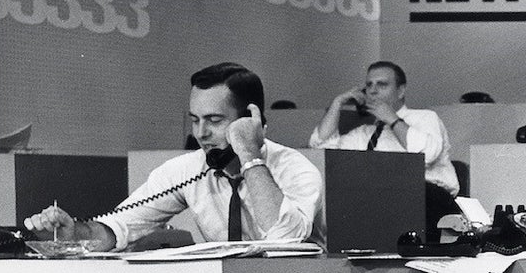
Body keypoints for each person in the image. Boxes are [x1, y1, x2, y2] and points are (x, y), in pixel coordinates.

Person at [24, 63, 322, 251]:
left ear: (250, 118)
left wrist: (249, 155)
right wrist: (74, 232)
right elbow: (122, 225)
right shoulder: (187, 169)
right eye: (195, 119)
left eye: (215, 120)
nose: (201, 133)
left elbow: (286, 242)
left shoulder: (296, 169)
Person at [309, 61, 459, 198]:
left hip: (428, 197)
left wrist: (392, 119)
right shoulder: (365, 132)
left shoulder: (424, 117)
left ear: (400, 91)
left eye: (381, 85)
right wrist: (337, 103)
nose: (373, 91)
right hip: (380, 199)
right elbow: (323, 152)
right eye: (369, 85)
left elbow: (426, 156)